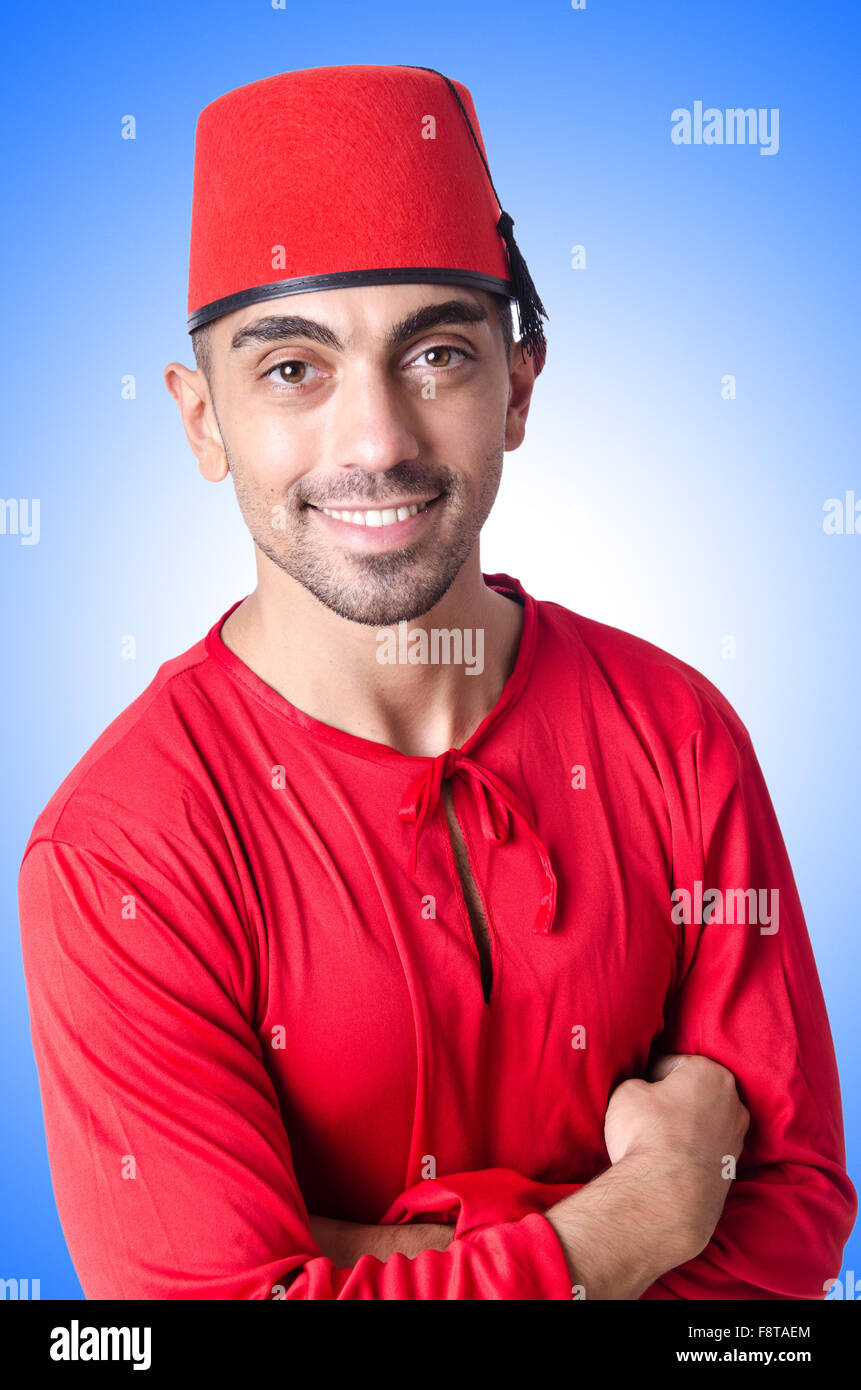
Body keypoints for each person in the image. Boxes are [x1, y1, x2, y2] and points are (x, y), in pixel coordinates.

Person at [17, 63, 855, 1300]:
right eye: (292, 368)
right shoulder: (121, 855)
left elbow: (791, 1229)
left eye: (440, 353)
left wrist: (375, 1260)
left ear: (517, 387)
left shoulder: (679, 735)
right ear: (202, 422)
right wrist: (637, 1217)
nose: (377, 443)